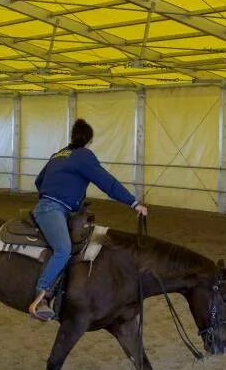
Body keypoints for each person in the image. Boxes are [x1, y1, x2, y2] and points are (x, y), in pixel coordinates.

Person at [29, 119, 148, 321]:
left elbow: (39, 181)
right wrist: (133, 203)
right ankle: (41, 296)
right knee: (63, 249)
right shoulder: (83, 156)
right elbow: (106, 182)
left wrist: (56, 192)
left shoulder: (59, 154)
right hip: (53, 208)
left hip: (53, 206)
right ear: (89, 140)